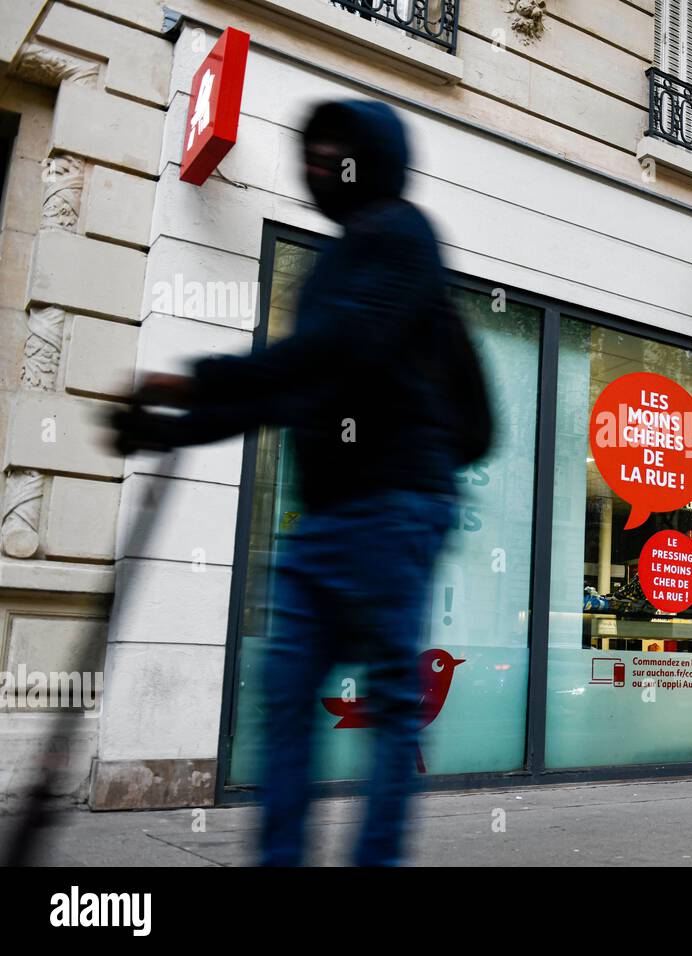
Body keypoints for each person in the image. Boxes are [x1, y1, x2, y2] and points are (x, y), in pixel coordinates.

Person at [111, 99, 492, 864]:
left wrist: (198, 381)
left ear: (372, 158)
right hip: (323, 522)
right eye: (311, 150)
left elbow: (336, 347)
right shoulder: (336, 261)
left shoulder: (400, 235)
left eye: (336, 150)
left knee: (388, 704)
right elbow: (292, 390)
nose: (319, 162)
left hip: (393, 509)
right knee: (286, 700)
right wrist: (175, 426)